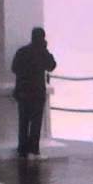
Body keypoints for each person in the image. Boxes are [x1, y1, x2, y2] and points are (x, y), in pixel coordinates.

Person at [10, 27, 58, 158]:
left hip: (22, 92)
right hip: (37, 92)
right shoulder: (41, 52)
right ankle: (33, 150)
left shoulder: (22, 52)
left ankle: (22, 150)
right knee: (36, 123)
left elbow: (14, 68)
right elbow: (52, 66)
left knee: (23, 122)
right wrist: (45, 49)